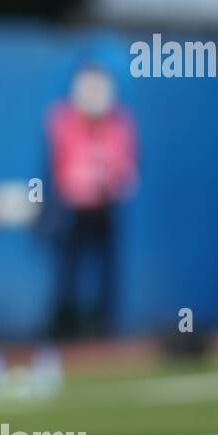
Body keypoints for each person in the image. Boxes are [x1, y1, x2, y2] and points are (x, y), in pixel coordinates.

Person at [44, 65, 138, 338]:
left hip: (106, 207)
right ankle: (64, 327)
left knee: (106, 270)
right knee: (68, 271)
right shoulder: (61, 118)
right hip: (71, 208)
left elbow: (129, 164)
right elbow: (55, 166)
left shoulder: (121, 121)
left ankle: (104, 327)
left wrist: (113, 184)